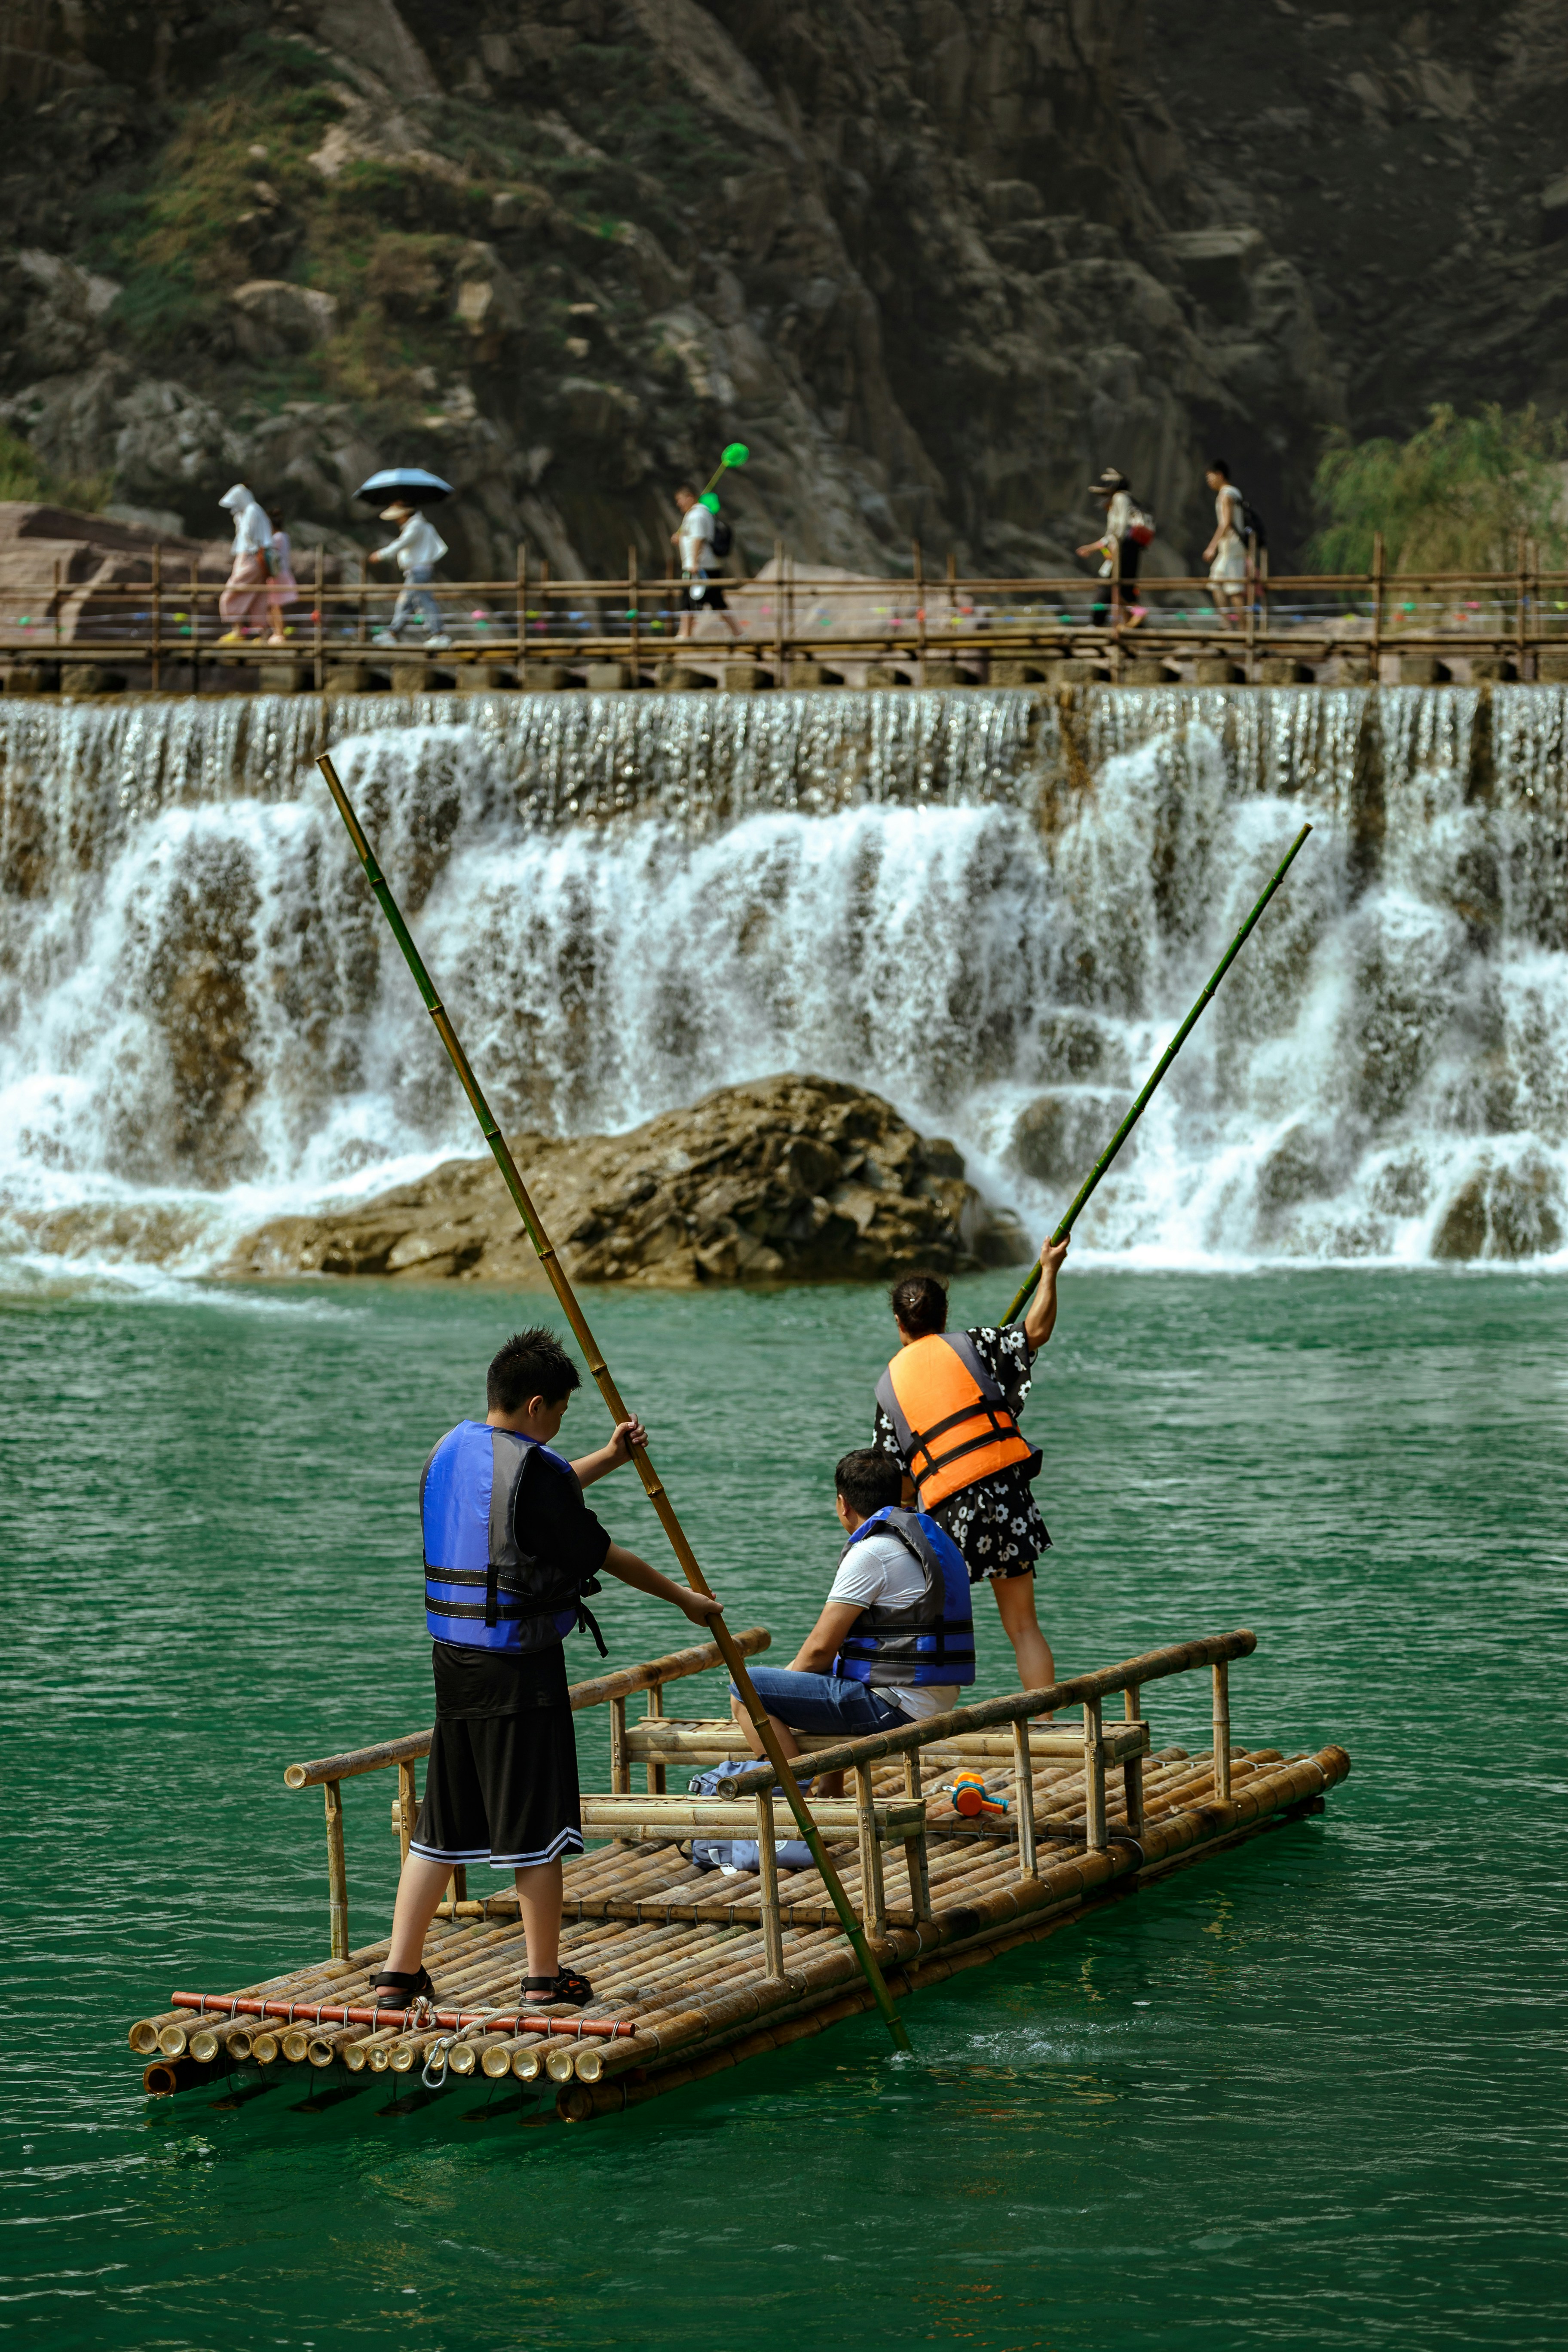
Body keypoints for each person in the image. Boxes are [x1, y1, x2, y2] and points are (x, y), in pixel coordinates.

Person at [371, 1327, 724, 2016]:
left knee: (443, 1821)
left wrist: (611, 1459)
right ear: (537, 1405)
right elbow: (596, 1547)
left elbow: (530, 1500)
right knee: (537, 1821)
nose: (561, 1423)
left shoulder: (451, 1450)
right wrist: (684, 1599)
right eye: (561, 1411)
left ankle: (397, 1974)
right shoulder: (532, 1473)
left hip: (455, 1661)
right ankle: (542, 1979)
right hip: (518, 1666)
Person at [871, 1235, 1069, 1693]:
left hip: (949, 1509)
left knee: (935, 1629)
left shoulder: (889, 1387)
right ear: (944, 1316)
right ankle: (1044, 1722)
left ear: (899, 1323)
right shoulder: (976, 1344)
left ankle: (925, 1715)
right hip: (1006, 1495)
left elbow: (897, 1480)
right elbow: (1036, 1331)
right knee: (1024, 1626)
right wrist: (1049, 1268)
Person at [730, 1448, 973, 1797]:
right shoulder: (929, 1541)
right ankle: (830, 1791)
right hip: (934, 1698)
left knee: (746, 1687)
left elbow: (818, 1652)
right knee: (834, 1671)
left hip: (896, 1708)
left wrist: (777, 1688)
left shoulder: (872, 1553)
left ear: (843, 1504)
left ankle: (792, 1796)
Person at [369, 499, 452, 649]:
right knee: (406, 603)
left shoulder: (416, 526)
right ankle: (393, 633)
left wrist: (382, 555)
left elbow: (402, 543)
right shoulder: (419, 525)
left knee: (423, 602)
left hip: (418, 571)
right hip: (416, 571)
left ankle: (438, 634)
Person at [1077, 466, 1146, 631]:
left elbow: (1119, 529)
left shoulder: (1120, 498)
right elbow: (1111, 535)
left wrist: (1114, 550)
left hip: (1123, 550)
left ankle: (1098, 623)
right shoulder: (1127, 500)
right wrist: (1093, 548)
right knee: (1123, 589)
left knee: (1107, 586)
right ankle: (1136, 625)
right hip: (1128, 550)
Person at [672, 484, 741, 641]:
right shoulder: (701, 513)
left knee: (690, 600)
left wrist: (694, 562)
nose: (679, 504)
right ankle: (738, 633)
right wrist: (682, 539)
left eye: (680, 500)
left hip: (701, 566)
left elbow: (699, 538)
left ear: (689, 497)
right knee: (716, 601)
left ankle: (685, 634)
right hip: (706, 565)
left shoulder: (697, 515)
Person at [215, 484, 272, 644]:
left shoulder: (252, 510)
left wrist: (241, 521)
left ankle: (238, 630)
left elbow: (248, 536)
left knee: (231, 593)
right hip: (252, 558)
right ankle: (263, 634)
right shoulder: (250, 511)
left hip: (251, 558)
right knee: (258, 596)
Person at [1203, 457, 1249, 625]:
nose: (1209, 481)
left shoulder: (1226, 495)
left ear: (1220, 475)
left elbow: (1226, 523)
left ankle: (1244, 630)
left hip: (1232, 547)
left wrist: (1212, 547)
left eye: (1210, 477)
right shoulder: (1235, 493)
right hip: (1230, 548)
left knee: (1234, 589)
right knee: (1216, 582)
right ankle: (1227, 625)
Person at [260, 500, 298, 646]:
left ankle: (279, 633)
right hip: (282, 573)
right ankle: (277, 631)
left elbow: (267, 551)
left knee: (276, 605)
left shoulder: (277, 538)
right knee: (273, 606)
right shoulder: (285, 536)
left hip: (277, 575)